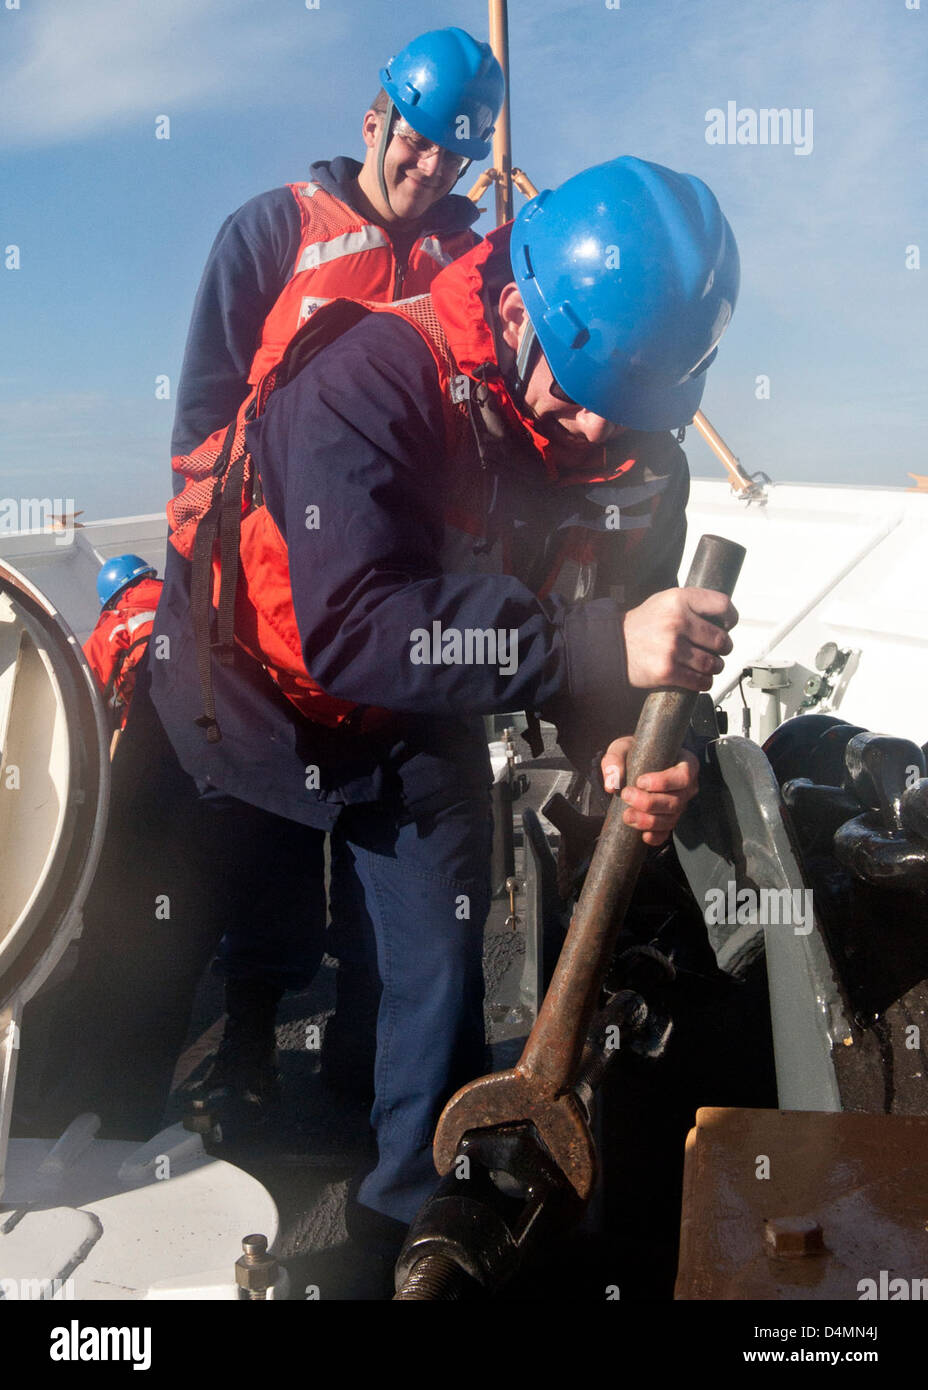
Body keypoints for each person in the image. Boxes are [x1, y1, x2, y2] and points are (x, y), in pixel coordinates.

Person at [150, 154, 741, 1241]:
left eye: (630, 407)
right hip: (250, 681)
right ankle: (194, 1097)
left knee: (435, 954)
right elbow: (357, 629)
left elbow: (608, 619)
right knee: (220, 919)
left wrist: (619, 745)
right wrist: (605, 643)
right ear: (515, 305)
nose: (597, 434)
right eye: (576, 388)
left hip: (421, 696)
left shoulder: (629, 441)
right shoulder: (372, 375)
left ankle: (406, 1227)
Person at [83, 555, 162, 732]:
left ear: (111, 600)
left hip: (148, 726)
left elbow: (84, 684)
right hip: (212, 713)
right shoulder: (185, 599)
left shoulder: (116, 623)